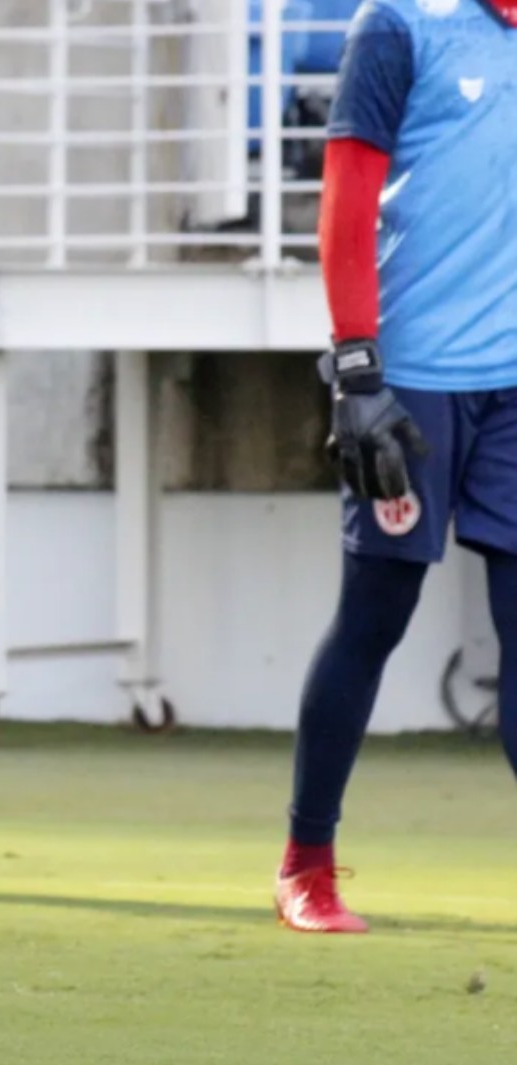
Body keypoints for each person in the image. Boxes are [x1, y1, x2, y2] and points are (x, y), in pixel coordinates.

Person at [275, 0, 517, 933]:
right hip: (410, 385)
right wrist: (356, 366)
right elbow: (344, 193)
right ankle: (307, 862)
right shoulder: (397, 25)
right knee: (375, 619)